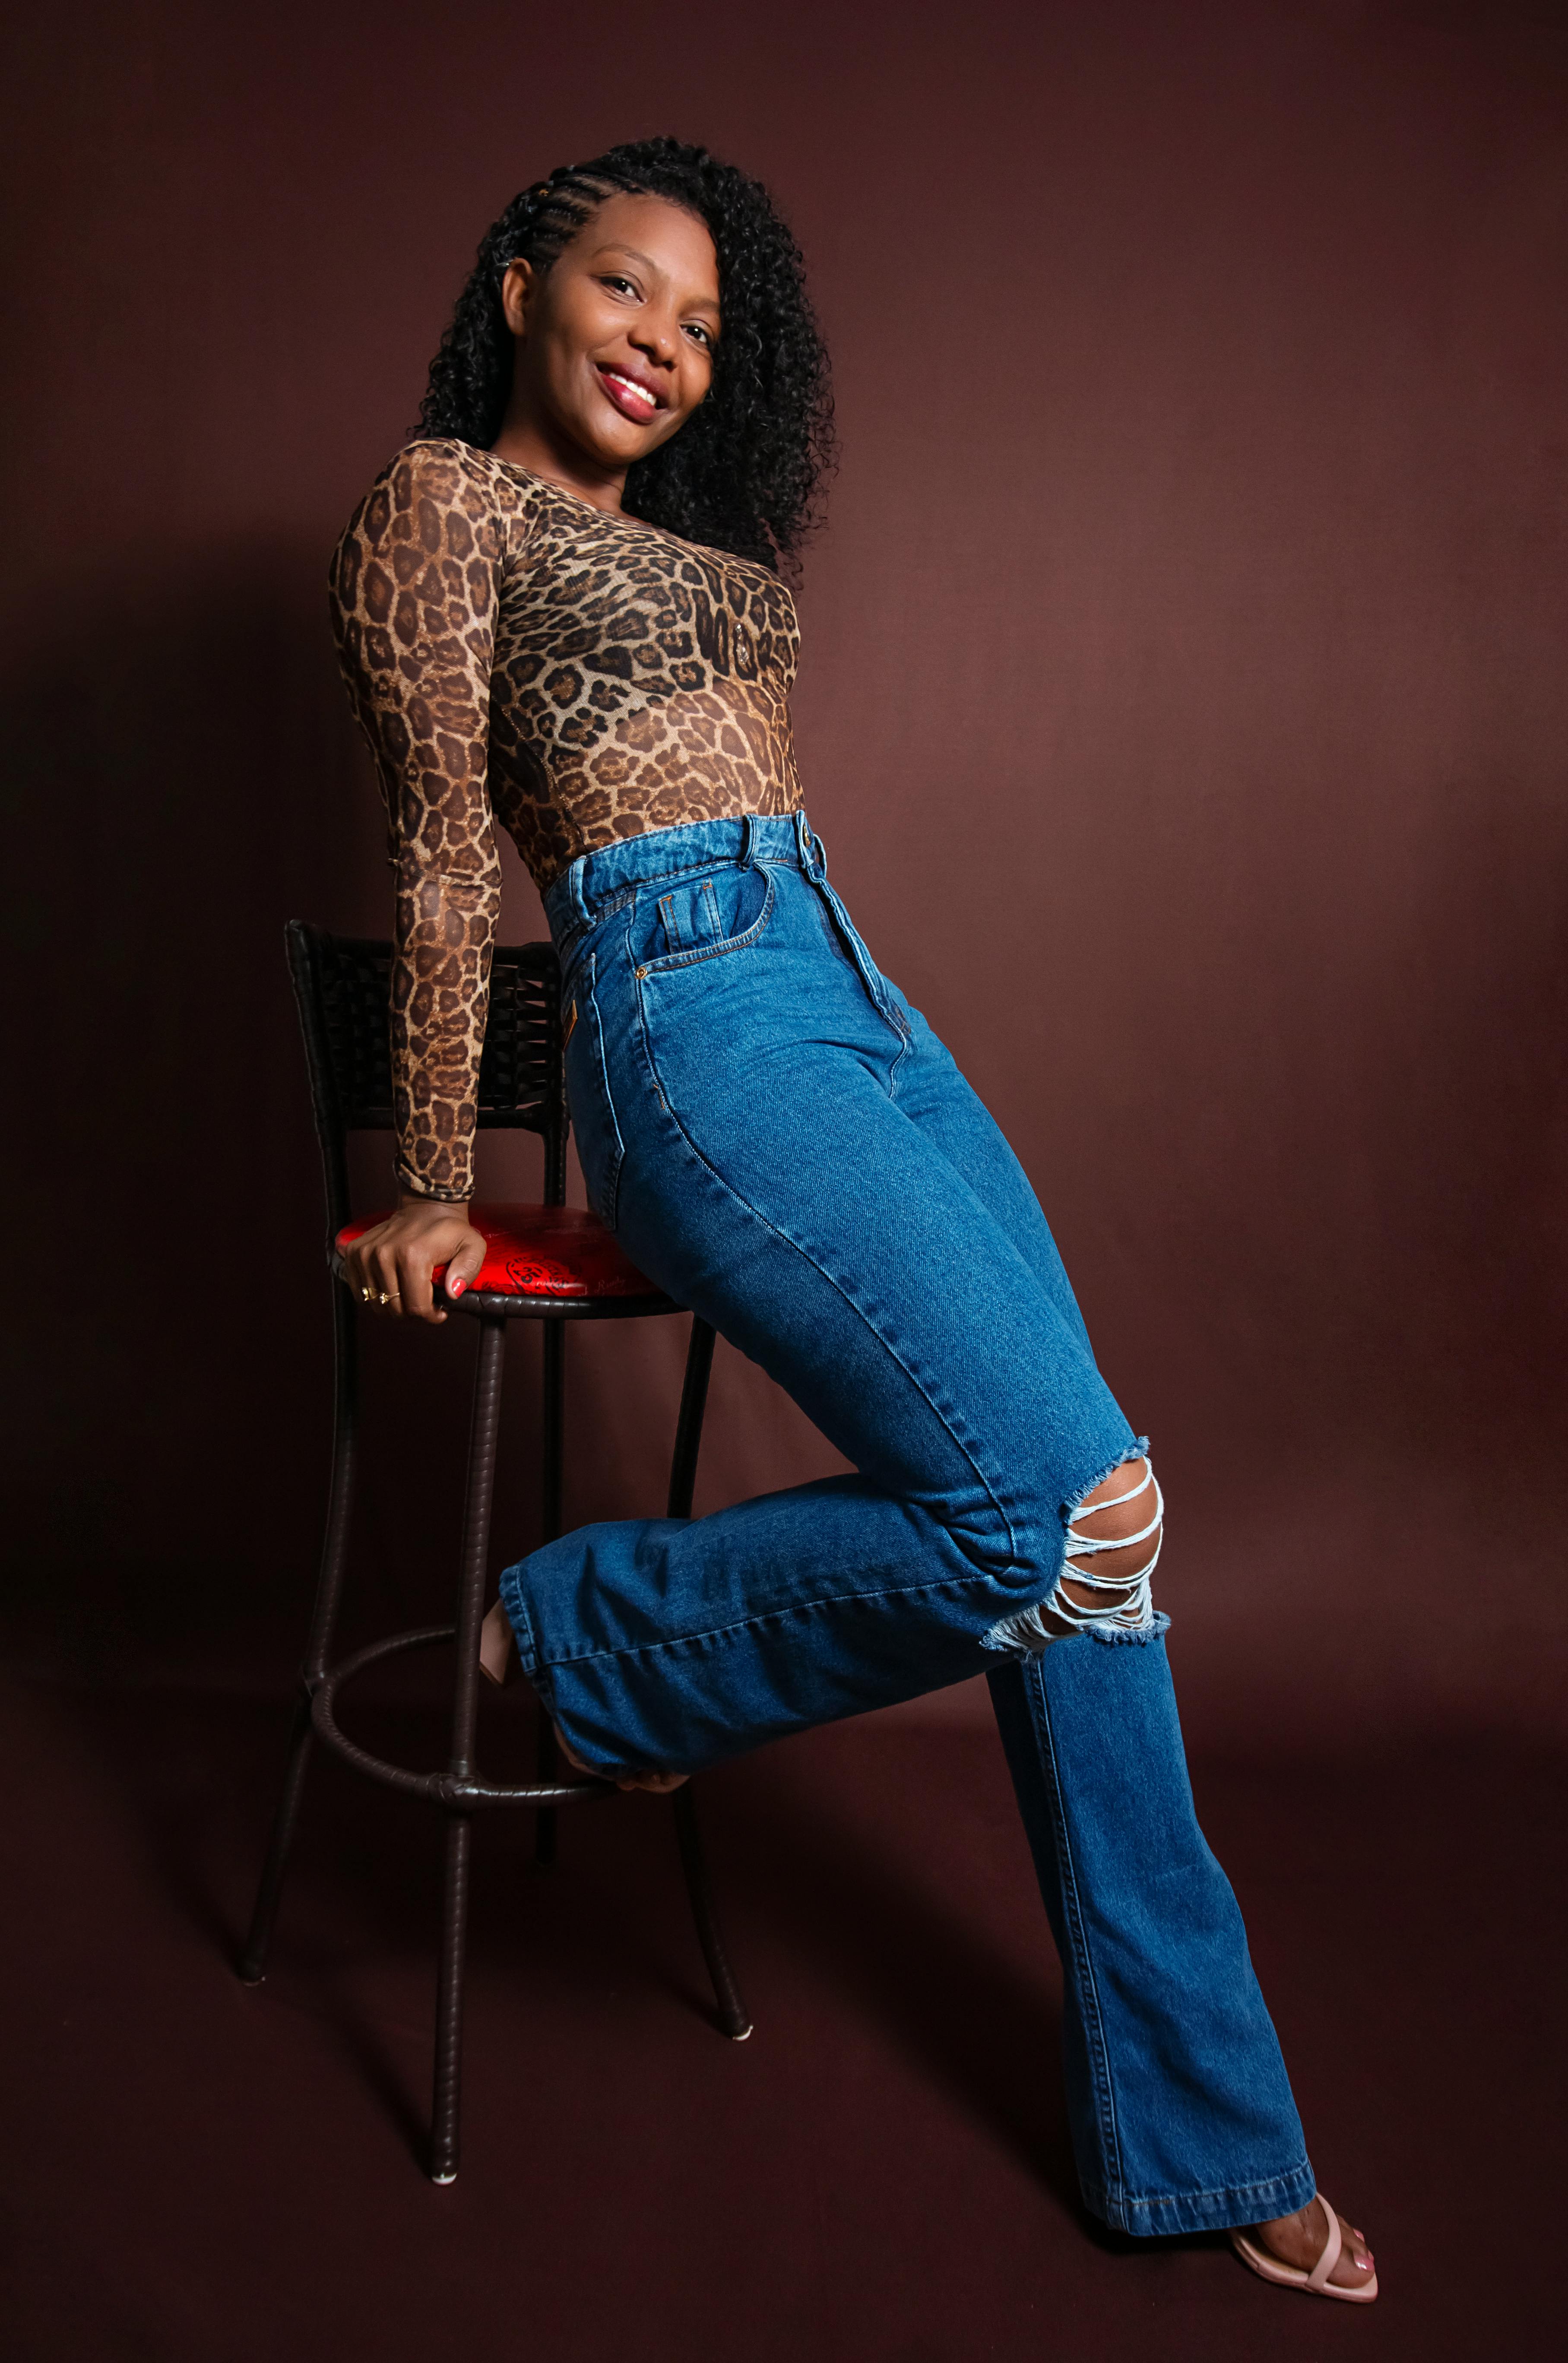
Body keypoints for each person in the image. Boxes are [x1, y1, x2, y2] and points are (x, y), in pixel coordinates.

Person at [330, 136, 1375, 2304]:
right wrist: (430, 1178)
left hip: (858, 998)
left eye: (707, 327)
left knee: (1099, 1545)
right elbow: (444, 849)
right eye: (627, 292)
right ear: (526, 284)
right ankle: (604, 1632)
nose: (664, 346)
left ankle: (1200, 2139)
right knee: (1069, 1513)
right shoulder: (444, 506)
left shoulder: (693, 544)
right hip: (693, 1024)